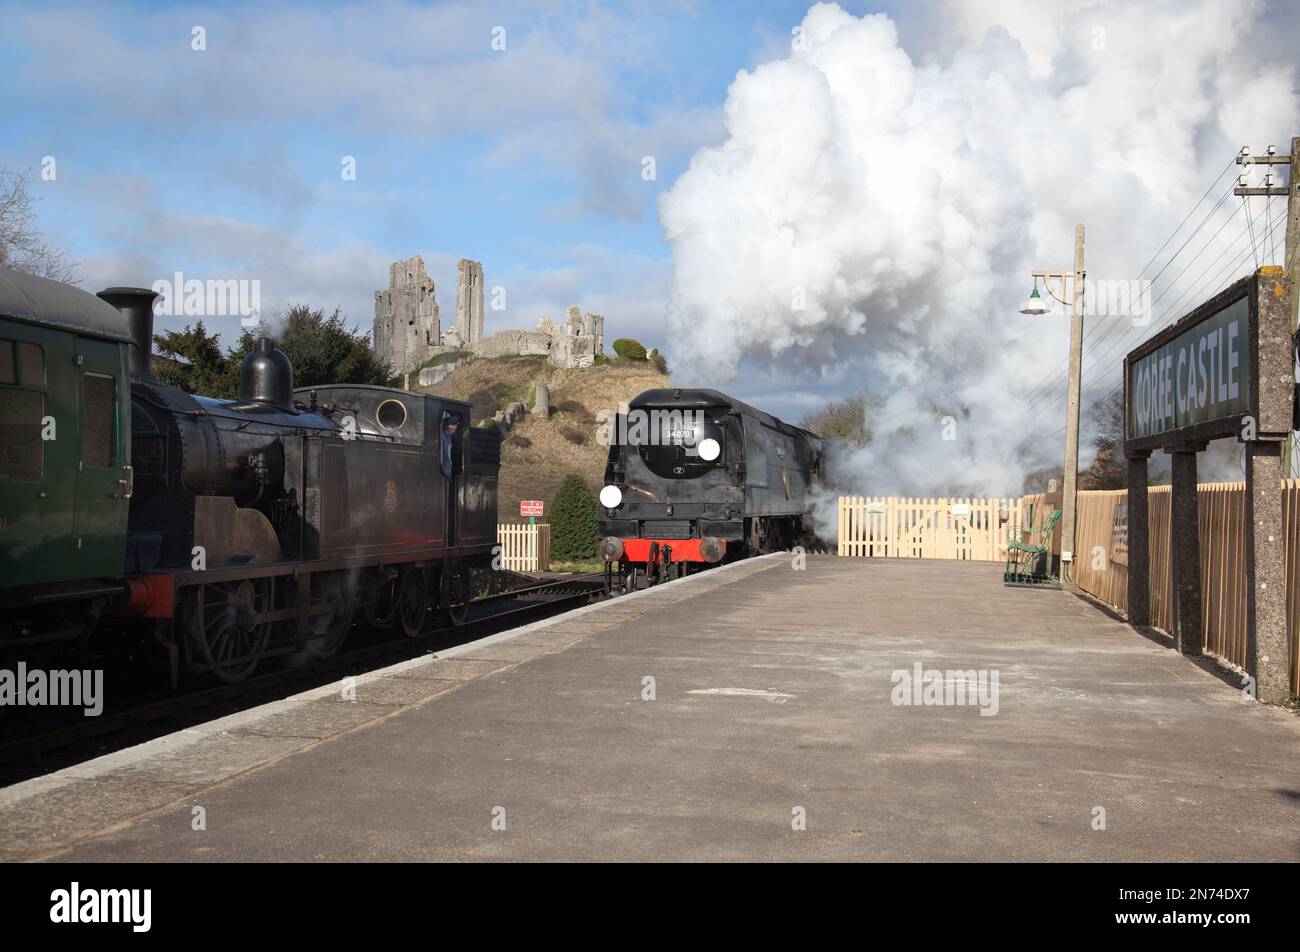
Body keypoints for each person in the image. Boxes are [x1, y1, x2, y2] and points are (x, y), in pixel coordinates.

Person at [441, 414, 460, 543]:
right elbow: (445, 458)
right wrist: (446, 473)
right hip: (444, 475)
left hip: (447, 474)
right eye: (455, 427)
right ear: (450, 427)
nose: (456, 430)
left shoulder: (448, 439)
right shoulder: (443, 439)